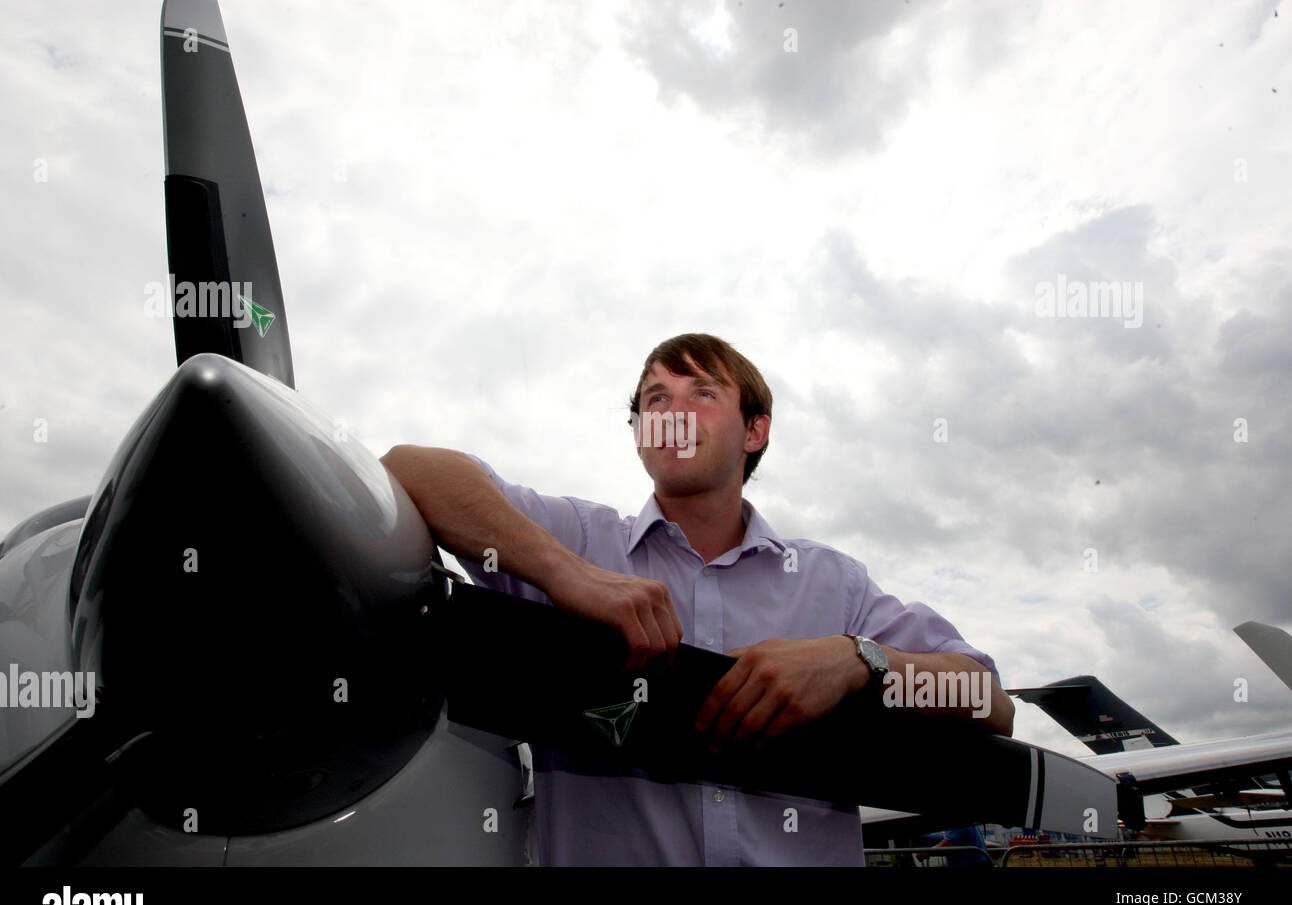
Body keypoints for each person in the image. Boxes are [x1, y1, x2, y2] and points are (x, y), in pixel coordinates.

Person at [380, 332, 1012, 865]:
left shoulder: (834, 583)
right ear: (639, 435)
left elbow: (989, 701)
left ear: (755, 431)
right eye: (656, 400)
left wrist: (858, 660)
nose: (673, 413)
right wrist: (568, 575)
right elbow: (405, 469)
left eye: (702, 394)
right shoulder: (574, 539)